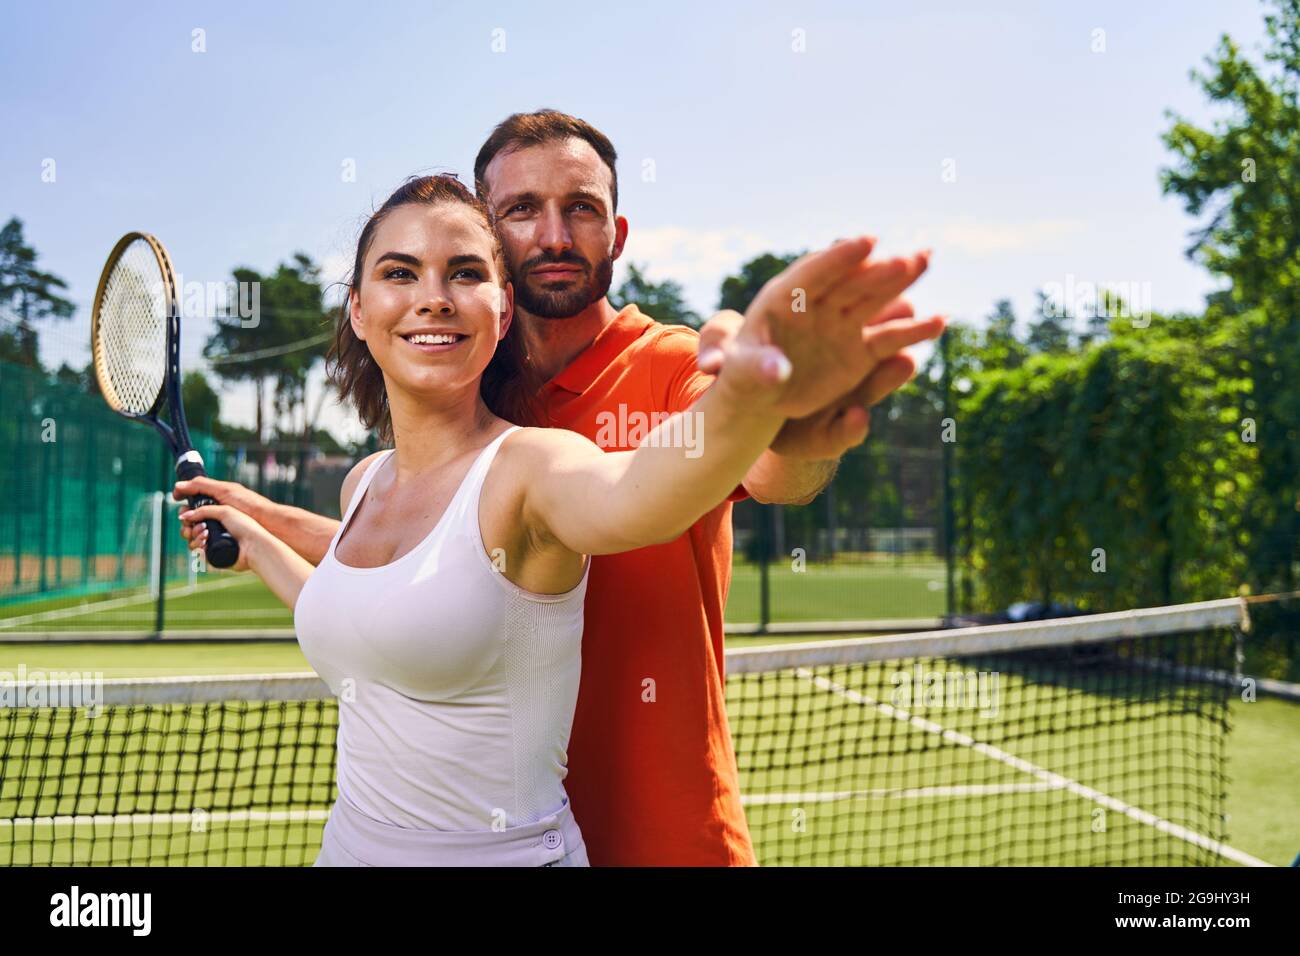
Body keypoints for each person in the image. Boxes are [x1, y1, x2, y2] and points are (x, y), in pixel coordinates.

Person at [178, 110, 941, 865]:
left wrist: (779, 412)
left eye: (581, 209)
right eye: (520, 210)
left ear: (617, 234)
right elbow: (428, 564)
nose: (552, 236)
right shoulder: (458, 405)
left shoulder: (668, 367)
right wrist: (262, 522)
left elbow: (761, 474)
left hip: (662, 834)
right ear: (493, 236)